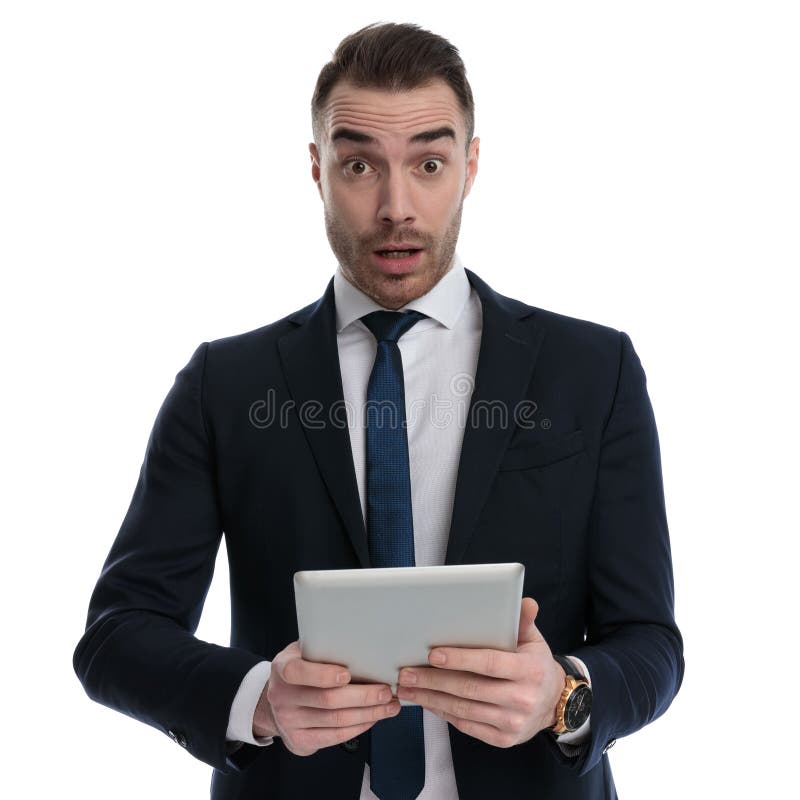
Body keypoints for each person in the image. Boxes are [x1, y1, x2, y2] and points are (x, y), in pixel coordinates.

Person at [73, 21, 684, 800]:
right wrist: (259, 697)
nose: (397, 206)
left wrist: (565, 695)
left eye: (428, 163)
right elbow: (117, 637)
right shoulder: (222, 384)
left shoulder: (594, 371)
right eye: (360, 164)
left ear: (469, 166)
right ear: (317, 170)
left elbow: (651, 643)